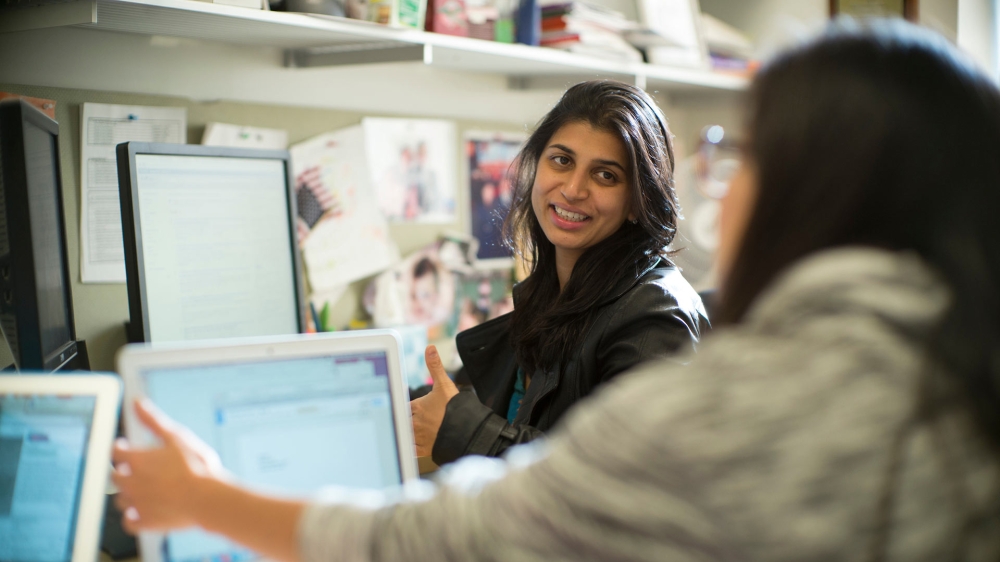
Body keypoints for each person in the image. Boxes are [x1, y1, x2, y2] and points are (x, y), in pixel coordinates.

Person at [112, 20, 1000, 560]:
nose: (573, 189)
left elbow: (476, 537)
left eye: (747, 157)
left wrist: (204, 498)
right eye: (560, 162)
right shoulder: (955, 369)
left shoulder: (736, 388)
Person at [411, 80, 708, 465]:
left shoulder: (654, 314)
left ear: (638, 201)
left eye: (605, 175)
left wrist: (462, 432)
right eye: (562, 160)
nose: (572, 189)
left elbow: (619, 474)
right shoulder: (551, 297)